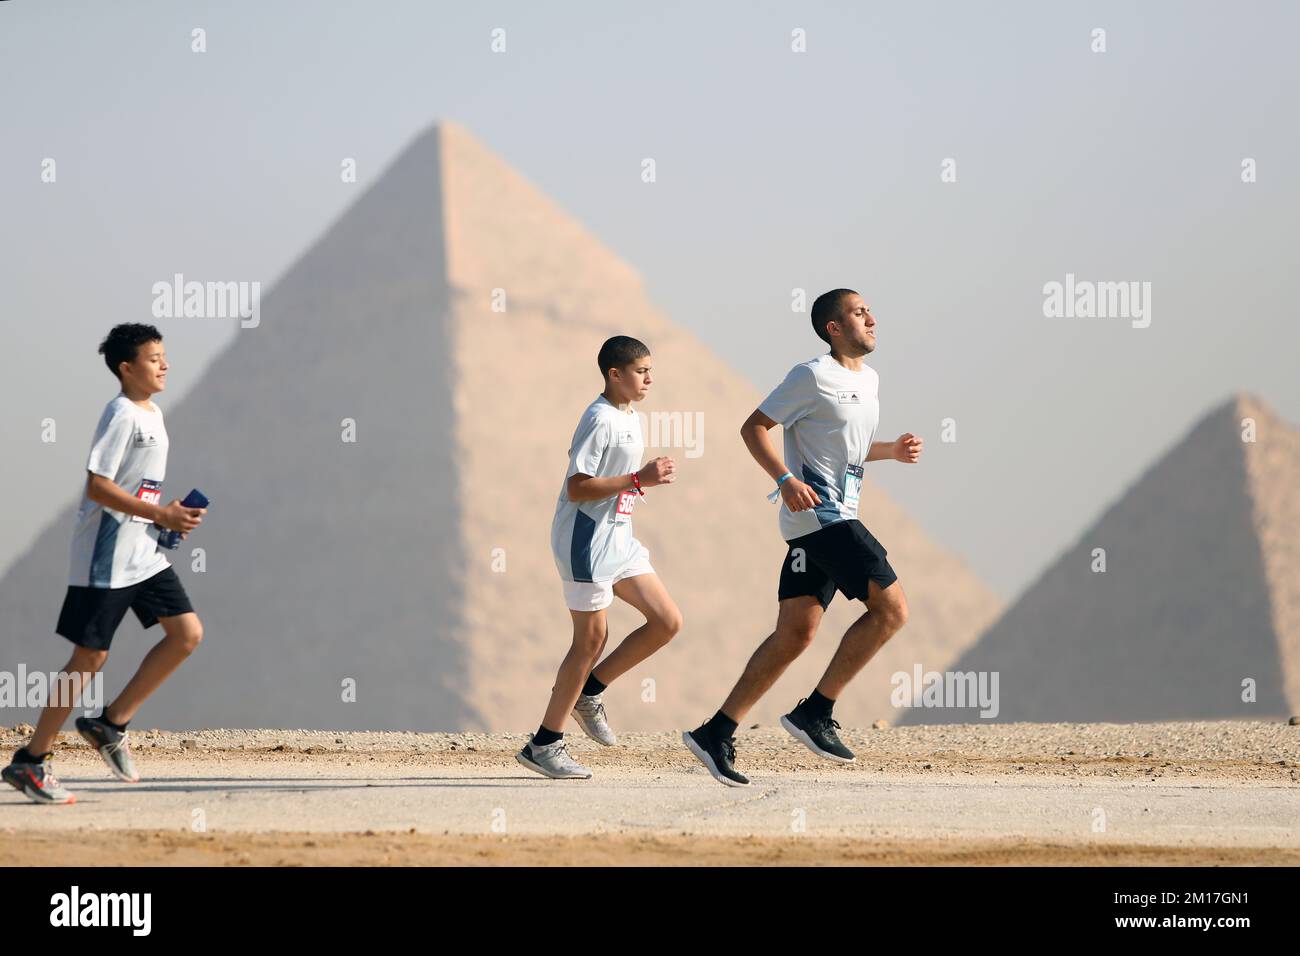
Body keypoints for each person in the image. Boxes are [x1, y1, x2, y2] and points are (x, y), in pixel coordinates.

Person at [683, 290, 922, 787]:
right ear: (834, 328)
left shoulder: (869, 379)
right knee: (893, 609)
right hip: (823, 517)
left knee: (795, 633)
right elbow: (754, 428)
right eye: (860, 313)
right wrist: (784, 480)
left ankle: (716, 731)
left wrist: (890, 452)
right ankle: (817, 711)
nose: (873, 318)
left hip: (830, 517)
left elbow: (846, 448)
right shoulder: (810, 376)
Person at [3, 324, 206, 804]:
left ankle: (109, 723)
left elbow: (136, 486)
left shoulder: (152, 413)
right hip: (105, 558)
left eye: (164, 356)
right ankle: (31, 761)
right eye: (154, 358)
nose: (165, 364)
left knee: (186, 635)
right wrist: (159, 512)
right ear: (126, 368)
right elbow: (98, 486)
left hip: (144, 554)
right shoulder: (120, 415)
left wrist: (163, 519)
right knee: (89, 659)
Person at [517, 336, 683, 779]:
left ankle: (590, 692)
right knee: (589, 641)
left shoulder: (629, 415)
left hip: (620, 539)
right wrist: (638, 477)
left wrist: (638, 481)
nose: (649, 378)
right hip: (585, 540)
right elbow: (577, 486)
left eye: (650, 370)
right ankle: (545, 744)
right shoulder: (599, 419)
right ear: (614, 373)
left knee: (666, 621)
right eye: (641, 370)